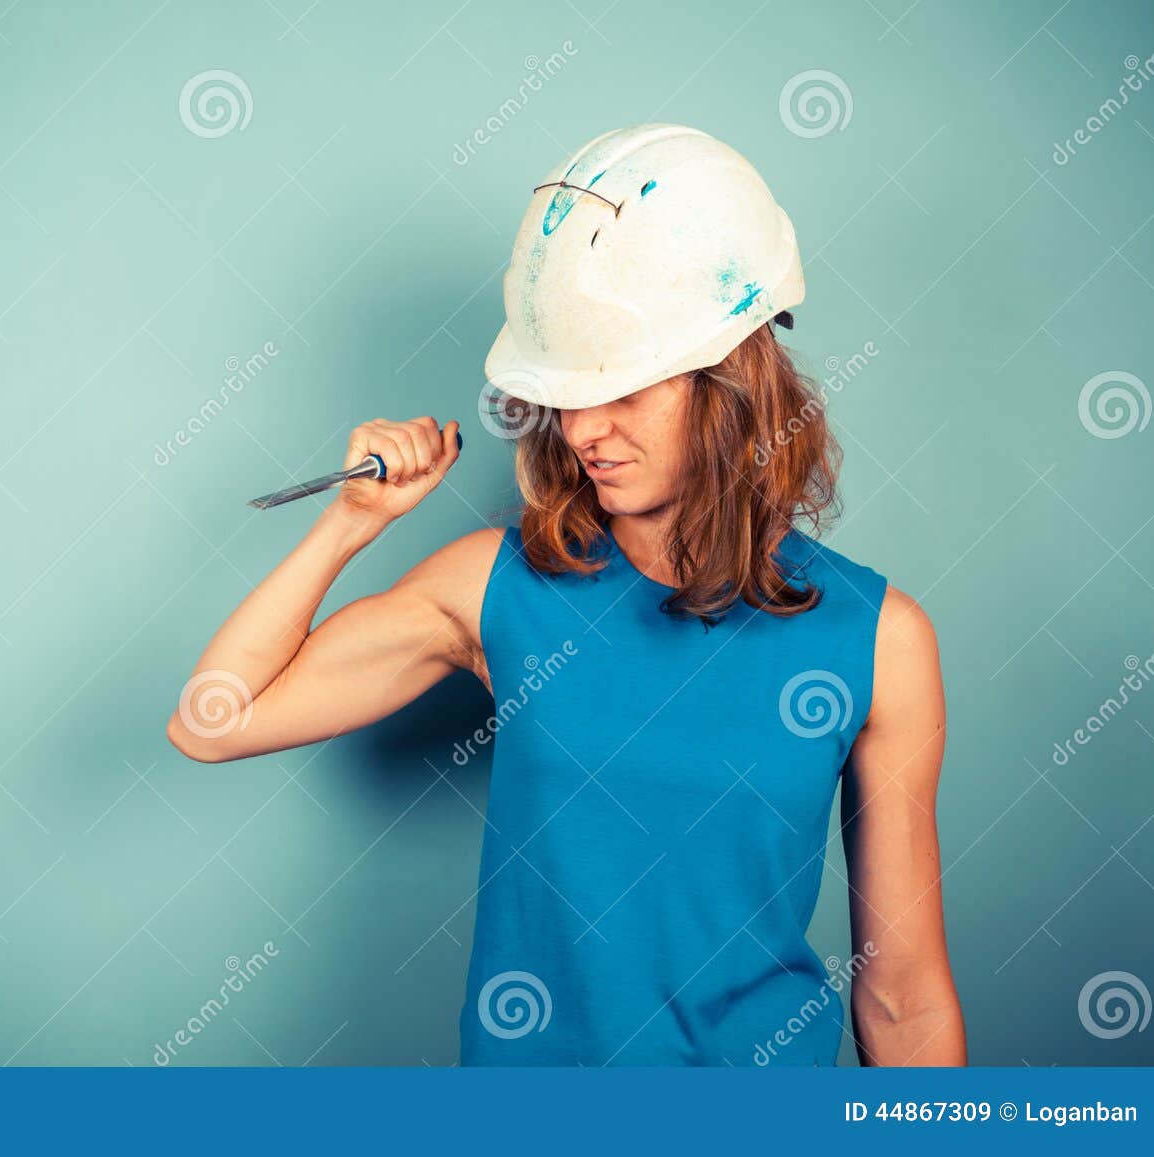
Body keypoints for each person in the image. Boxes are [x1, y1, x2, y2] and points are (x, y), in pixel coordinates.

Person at [167, 125, 965, 1067]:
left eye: (623, 386)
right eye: (567, 390)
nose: (585, 427)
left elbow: (903, 995)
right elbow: (214, 720)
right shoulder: (494, 587)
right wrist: (350, 521)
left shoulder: (876, 639)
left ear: (731, 378)